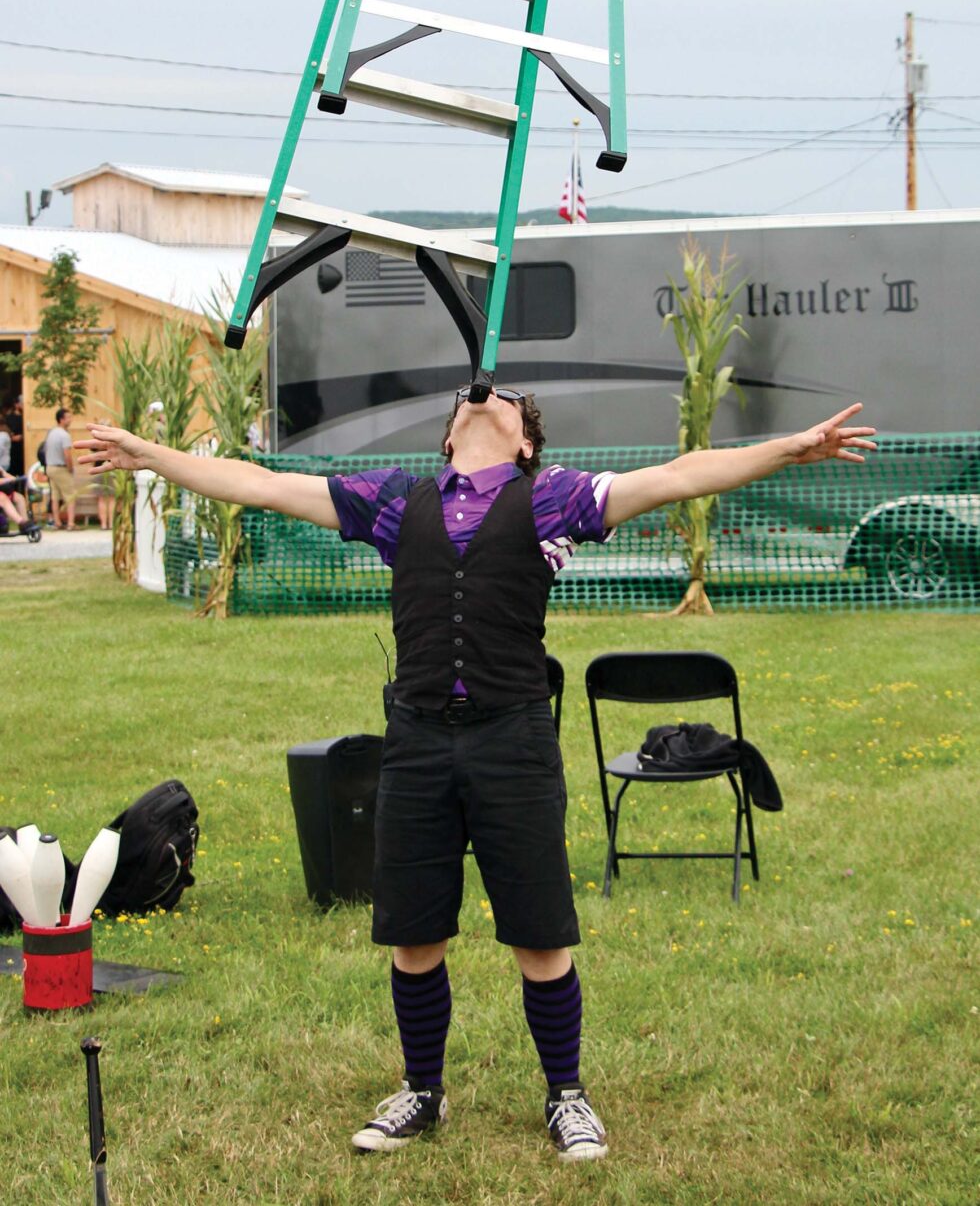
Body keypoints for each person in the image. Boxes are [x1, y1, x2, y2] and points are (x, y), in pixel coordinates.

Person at [78, 390, 876, 1164]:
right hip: (418, 740)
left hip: (514, 741)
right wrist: (151, 456)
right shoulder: (396, 501)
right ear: (450, 436)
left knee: (540, 934)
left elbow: (678, 475)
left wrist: (791, 447)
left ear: (525, 444)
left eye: (508, 402)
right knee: (414, 934)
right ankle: (422, 1090)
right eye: (472, 399)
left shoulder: (557, 498)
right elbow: (261, 484)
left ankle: (565, 1093)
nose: (485, 396)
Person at [45, 406, 78, 529]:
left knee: (55, 496)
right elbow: (67, 454)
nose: (71, 420)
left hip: (50, 467)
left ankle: (57, 521)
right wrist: (70, 468)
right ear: (61, 419)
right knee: (71, 495)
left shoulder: (51, 433)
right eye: (68, 417)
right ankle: (71, 523)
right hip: (60, 468)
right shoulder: (64, 435)